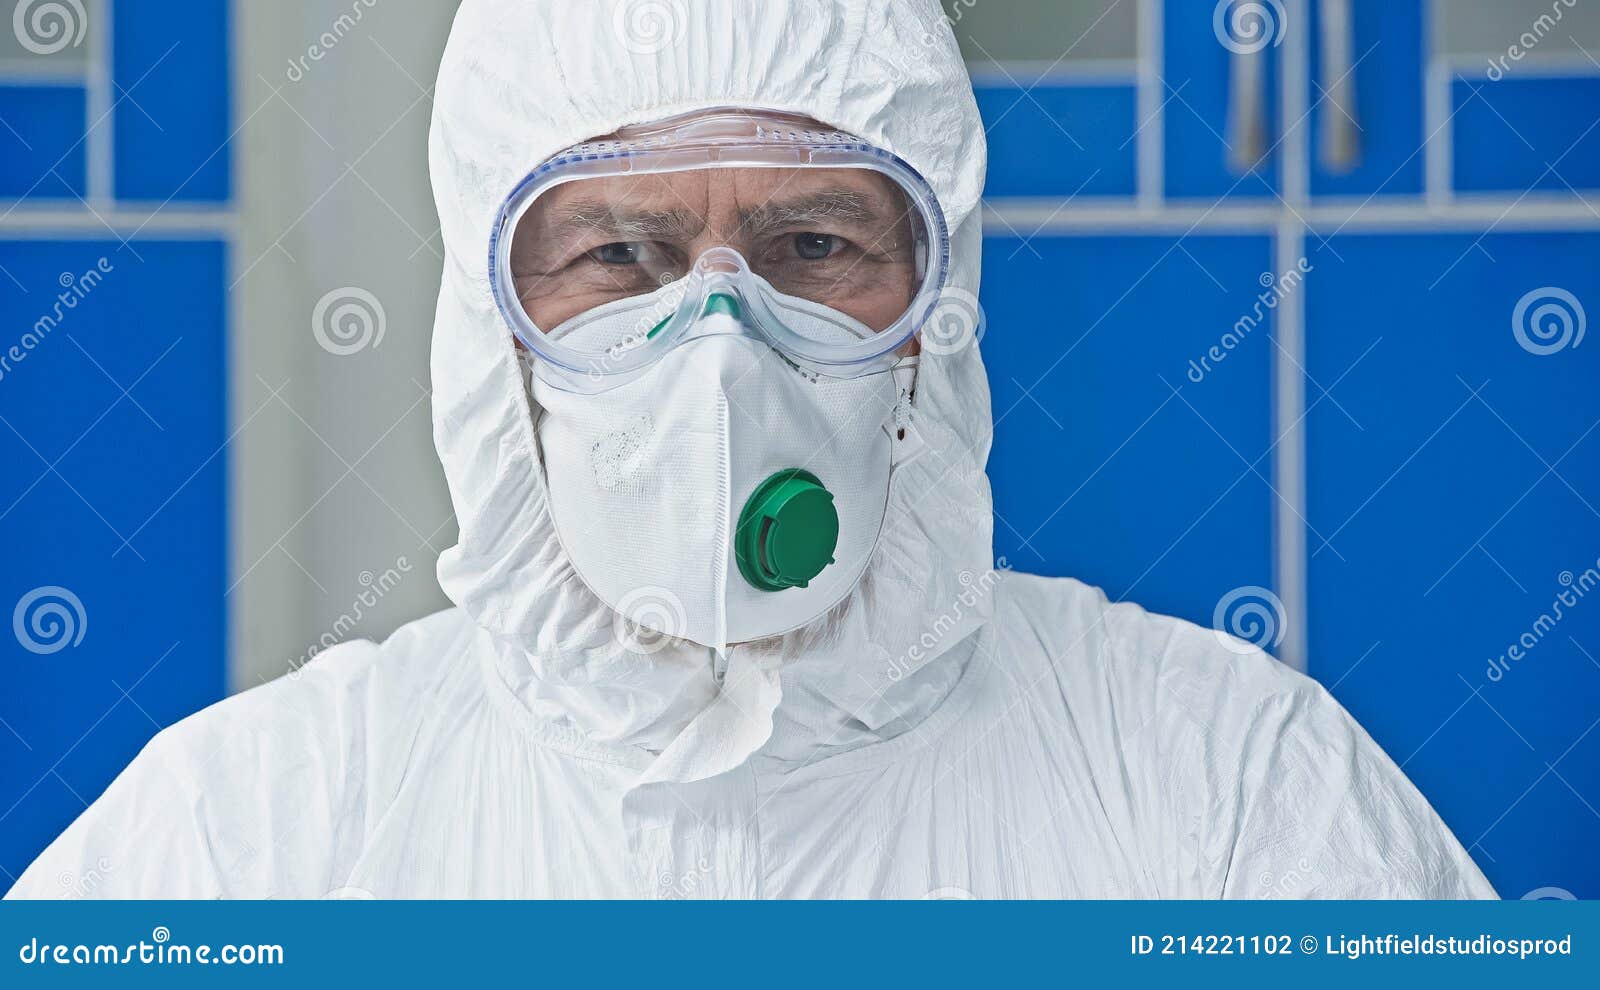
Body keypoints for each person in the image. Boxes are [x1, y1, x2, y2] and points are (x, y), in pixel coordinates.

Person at [7, 0, 1493, 899]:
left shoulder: (1225, 785)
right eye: (618, 256)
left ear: (932, 319)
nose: (722, 350)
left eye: (814, 245)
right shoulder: (245, 838)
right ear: (491, 328)